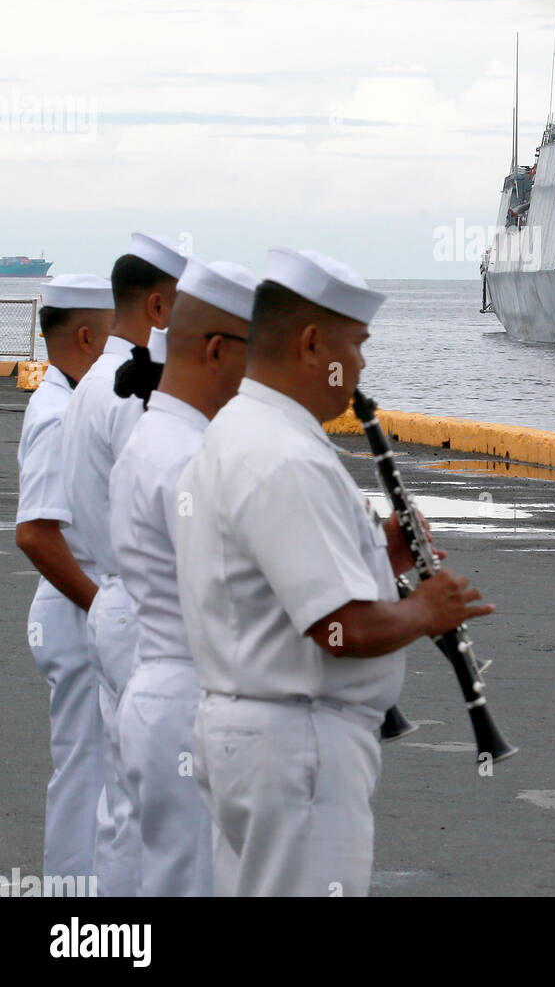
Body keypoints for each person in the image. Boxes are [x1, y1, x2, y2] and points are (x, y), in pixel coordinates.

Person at [175, 248, 494, 897]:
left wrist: (381, 558)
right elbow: (336, 629)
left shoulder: (241, 430)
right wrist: (425, 611)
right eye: (357, 345)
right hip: (297, 744)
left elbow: (272, 585)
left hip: (252, 733)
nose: (361, 365)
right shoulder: (286, 455)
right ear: (313, 342)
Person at [112, 258, 257, 897]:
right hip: (195, 701)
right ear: (218, 350)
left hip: (161, 690)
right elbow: (240, 602)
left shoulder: (156, 437)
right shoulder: (189, 456)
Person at [61, 232, 187, 896]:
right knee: (163, 813)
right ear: (160, 306)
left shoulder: (91, 385)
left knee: (125, 803)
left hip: (115, 603)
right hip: (147, 611)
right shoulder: (133, 394)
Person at [16, 274, 115, 884]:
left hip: (85, 605)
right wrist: (104, 608)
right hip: (80, 611)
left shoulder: (74, 403)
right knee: (85, 775)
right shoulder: (58, 414)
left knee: (102, 773)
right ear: (85, 336)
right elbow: (36, 533)